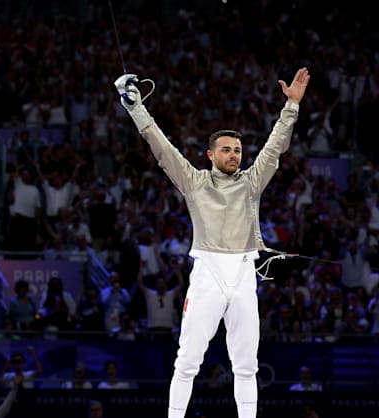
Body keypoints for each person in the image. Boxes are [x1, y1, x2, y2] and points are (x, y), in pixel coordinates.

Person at [115, 67, 310, 418]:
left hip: (243, 274)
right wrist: (135, 107)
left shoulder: (252, 182)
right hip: (208, 274)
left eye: (237, 150)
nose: (233, 155)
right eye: (226, 150)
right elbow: (160, 146)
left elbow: (275, 145)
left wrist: (291, 107)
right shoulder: (194, 182)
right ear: (210, 155)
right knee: (187, 360)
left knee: (247, 364)